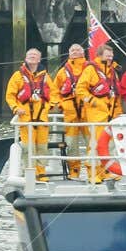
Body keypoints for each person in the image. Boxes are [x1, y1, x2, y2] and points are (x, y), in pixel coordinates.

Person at [75, 44, 123, 178]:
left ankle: (106, 171)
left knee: (110, 145)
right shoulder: (91, 70)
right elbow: (80, 90)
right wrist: (93, 101)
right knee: (96, 145)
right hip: (96, 114)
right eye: (108, 55)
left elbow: (116, 93)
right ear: (100, 56)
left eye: (111, 56)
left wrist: (118, 112)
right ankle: (93, 173)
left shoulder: (112, 71)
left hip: (111, 114)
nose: (110, 58)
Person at [5, 48, 55, 176]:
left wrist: (49, 106)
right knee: (28, 148)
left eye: (35, 55)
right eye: (30, 55)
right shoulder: (17, 76)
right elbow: (10, 96)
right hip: (25, 119)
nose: (32, 56)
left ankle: (41, 173)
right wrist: (16, 108)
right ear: (25, 58)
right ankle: (30, 174)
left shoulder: (45, 77)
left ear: (39, 59)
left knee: (42, 147)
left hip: (42, 119)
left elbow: (55, 94)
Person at [53, 43, 89, 176]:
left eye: (77, 50)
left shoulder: (90, 69)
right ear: (68, 54)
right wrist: (60, 103)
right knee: (72, 144)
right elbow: (54, 91)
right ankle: (74, 171)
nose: (75, 52)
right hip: (70, 113)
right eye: (72, 50)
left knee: (92, 142)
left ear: (83, 52)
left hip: (88, 111)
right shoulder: (63, 72)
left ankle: (95, 171)